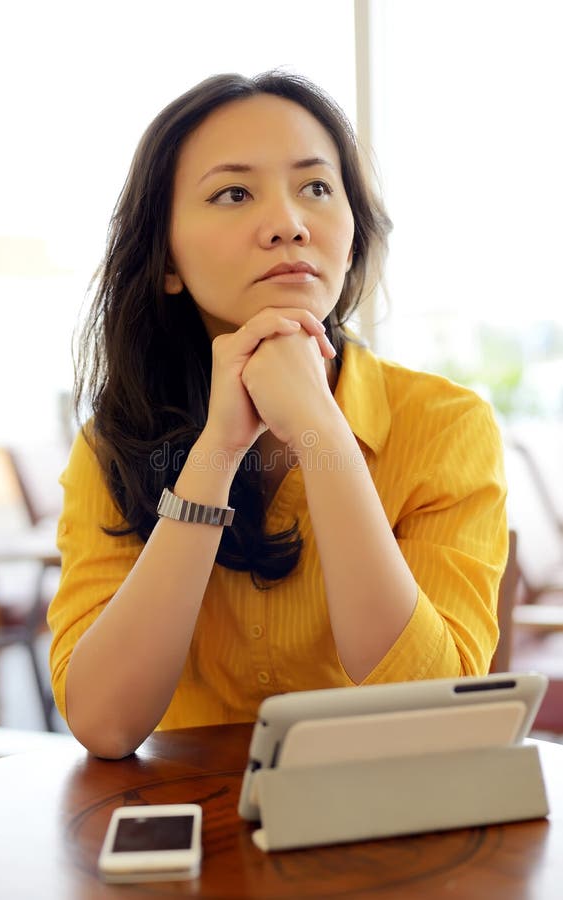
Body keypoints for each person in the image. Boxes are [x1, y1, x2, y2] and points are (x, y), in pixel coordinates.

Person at [48, 70, 508, 759]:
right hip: (190, 836)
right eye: (233, 193)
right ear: (166, 259)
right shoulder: (113, 444)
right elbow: (105, 723)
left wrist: (318, 429)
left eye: (316, 188)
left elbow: (431, 710)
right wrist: (217, 451)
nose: (288, 224)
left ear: (351, 233)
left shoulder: (446, 425)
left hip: (384, 831)